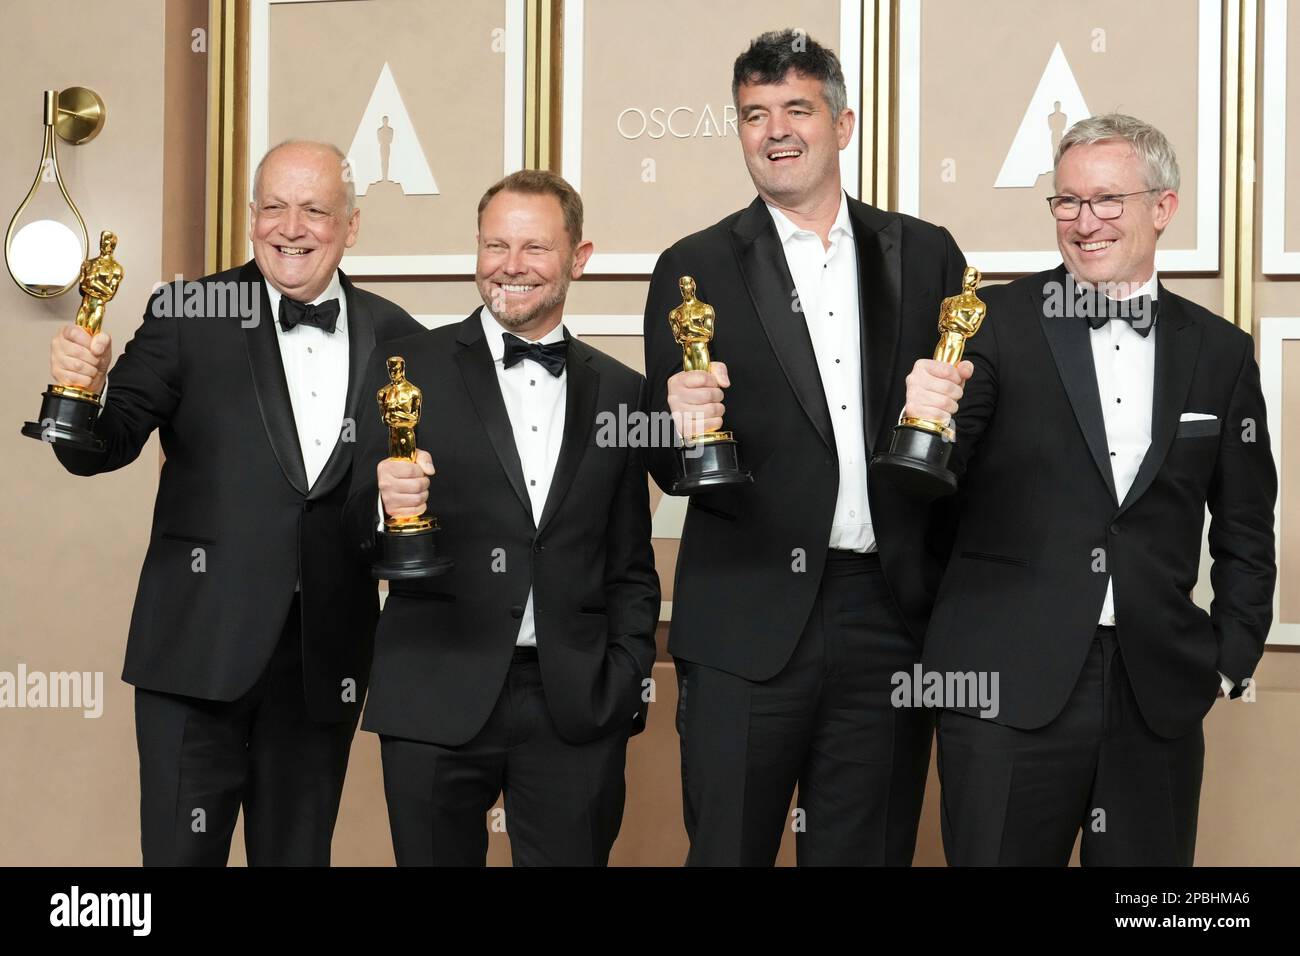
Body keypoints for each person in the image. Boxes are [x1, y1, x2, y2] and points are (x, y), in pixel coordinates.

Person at [906, 113, 1277, 865]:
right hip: (1003, 688)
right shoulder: (994, 323)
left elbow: (1245, 527)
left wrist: (1229, 654)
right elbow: (928, 491)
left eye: (1108, 200)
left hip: (1156, 693)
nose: (1085, 222)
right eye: (1067, 202)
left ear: (1162, 208)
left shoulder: (1221, 353)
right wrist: (922, 422)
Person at [48, 140, 424, 865]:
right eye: (274, 207)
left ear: (352, 225)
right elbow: (101, 445)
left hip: (324, 662)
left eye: (315, 209)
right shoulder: (190, 310)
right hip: (196, 653)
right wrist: (79, 391)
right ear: (251, 218)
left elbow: (407, 494)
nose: (292, 226)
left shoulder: (400, 338)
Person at [642, 29, 968, 865]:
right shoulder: (694, 266)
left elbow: (970, 439)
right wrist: (673, 422)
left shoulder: (927, 254)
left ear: (843, 123)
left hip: (887, 617)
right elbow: (668, 457)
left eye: (797, 108)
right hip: (744, 618)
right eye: (755, 113)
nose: (775, 129)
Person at [344, 169, 659, 866]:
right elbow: (348, 530)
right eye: (496, 245)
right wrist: (379, 503)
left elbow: (629, 563)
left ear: (580, 258)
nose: (510, 267)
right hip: (434, 690)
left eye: (535, 248)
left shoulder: (622, 391)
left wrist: (625, 675)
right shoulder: (403, 368)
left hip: (575, 704)